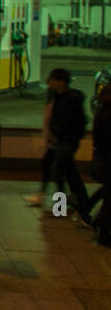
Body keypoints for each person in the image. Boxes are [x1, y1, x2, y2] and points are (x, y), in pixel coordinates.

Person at [44, 68, 94, 227]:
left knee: (58, 172)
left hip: (67, 141)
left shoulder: (70, 99)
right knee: (71, 174)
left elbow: (78, 121)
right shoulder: (58, 97)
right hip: (63, 140)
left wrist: (65, 134)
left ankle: (61, 207)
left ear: (60, 81)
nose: (49, 82)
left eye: (52, 79)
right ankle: (83, 203)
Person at [89, 86, 111, 246]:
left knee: (107, 194)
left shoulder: (102, 111)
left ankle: (87, 211)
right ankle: (103, 233)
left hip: (102, 160)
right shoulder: (107, 114)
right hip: (107, 161)